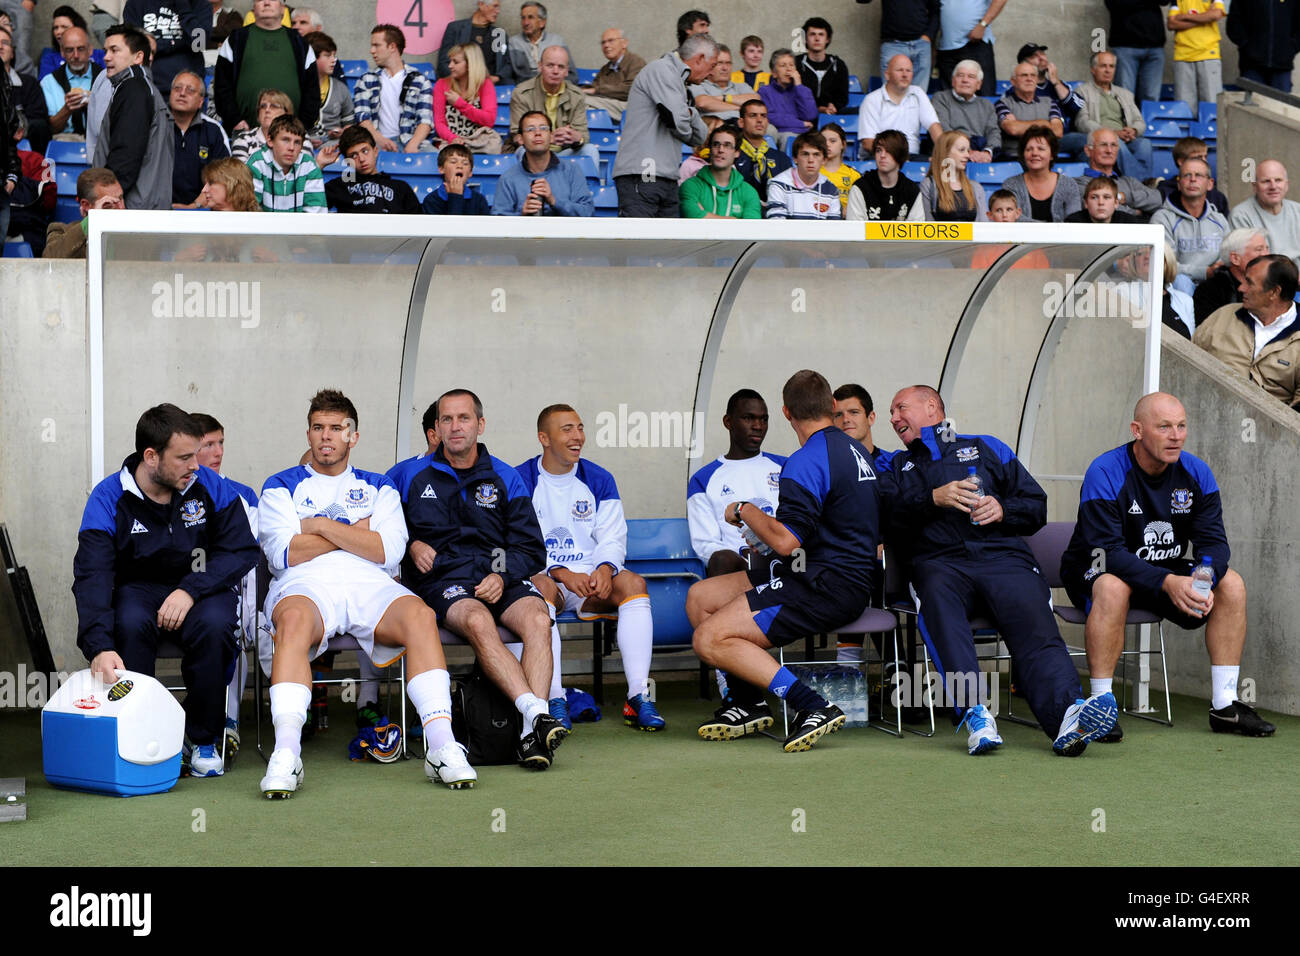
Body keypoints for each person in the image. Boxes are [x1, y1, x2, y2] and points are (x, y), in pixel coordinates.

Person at [258, 389, 476, 795]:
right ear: (308, 434)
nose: (327, 437)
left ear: (353, 436)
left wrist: (317, 525)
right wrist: (358, 533)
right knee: (291, 622)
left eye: (337, 428)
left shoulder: (380, 486)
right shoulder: (280, 485)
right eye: (319, 428)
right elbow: (284, 552)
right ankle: (287, 754)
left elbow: (388, 550)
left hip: (370, 584)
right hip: (305, 583)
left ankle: (442, 747)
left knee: (420, 616)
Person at [880, 385, 1118, 756]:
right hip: (939, 564)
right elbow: (885, 520)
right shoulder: (895, 465)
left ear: (932, 407)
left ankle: (1067, 717)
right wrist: (931, 499)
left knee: (1035, 622)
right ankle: (977, 715)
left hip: (1003, 558)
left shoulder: (988, 445)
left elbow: (1036, 506)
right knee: (940, 610)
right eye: (891, 412)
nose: (893, 418)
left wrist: (1003, 509)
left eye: (900, 408)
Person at [1061, 391, 1277, 740]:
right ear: (1138, 430)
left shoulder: (1196, 472)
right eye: (1164, 427)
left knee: (1231, 583)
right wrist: (1169, 582)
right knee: (1114, 585)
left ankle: (1225, 706)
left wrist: (1202, 580)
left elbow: (1213, 543)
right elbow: (1107, 551)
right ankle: (1100, 706)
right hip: (1097, 566)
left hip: (1165, 571)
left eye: (1181, 426)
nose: (1176, 435)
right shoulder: (1105, 470)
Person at [689, 370, 880, 752]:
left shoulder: (805, 460)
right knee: (701, 598)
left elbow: (786, 542)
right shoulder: (856, 450)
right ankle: (749, 704)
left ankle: (814, 705)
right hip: (830, 573)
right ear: (831, 408)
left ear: (786, 412)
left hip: (823, 585)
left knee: (708, 639)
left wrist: (743, 509)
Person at [73, 404, 259, 779]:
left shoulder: (208, 484)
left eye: (198, 453)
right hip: (138, 589)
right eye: (185, 456)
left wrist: (190, 589)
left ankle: (203, 738)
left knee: (217, 624)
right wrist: (98, 645)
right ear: (151, 456)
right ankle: (141, 736)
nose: (197, 464)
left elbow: (240, 550)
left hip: (200, 584)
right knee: (127, 622)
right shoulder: (109, 497)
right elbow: (92, 575)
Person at [389, 388, 566, 771]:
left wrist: (500, 574)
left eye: (464, 418)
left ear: (480, 425)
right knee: (476, 619)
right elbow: (382, 536)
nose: (456, 427)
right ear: (435, 428)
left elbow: (530, 549)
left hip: (498, 576)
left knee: (539, 618)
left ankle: (528, 734)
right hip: (444, 582)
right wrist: (411, 545)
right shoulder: (407, 475)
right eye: (447, 419)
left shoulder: (507, 477)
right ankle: (536, 714)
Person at [517, 404, 666, 731]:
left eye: (580, 428)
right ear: (544, 438)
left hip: (590, 581)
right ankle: (554, 699)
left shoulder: (599, 478)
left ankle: (638, 697)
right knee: (540, 589)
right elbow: (519, 545)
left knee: (633, 584)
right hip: (547, 579)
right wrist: (559, 572)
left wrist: (605, 567)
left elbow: (614, 535)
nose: (577, 436)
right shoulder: (520, 479)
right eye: (567, 429)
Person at [189, 411, 259, 758]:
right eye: (207, 445)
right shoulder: (174, 491)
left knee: (231, 629)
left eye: (220, 443)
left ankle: (228, 720)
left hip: (230, 591)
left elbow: (249, 555)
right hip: (181, 594)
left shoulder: (242, 494)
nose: (217, 452)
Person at [688, 388, 787, 579]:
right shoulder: (704, 479)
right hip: (738, 569)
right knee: (722, 559)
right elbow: (705, 544)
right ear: (728, 422)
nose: (758, 425)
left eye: (764, 419)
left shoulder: (786, 466)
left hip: (789, 563)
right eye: (749, 418)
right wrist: (746, 560)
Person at [611, 32, 712, 218]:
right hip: (643, 173)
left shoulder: (682, 85)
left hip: (668, 178)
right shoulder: (662, 70)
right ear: (700, 58)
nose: (711, 73)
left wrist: (689, 112)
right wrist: (686, 114)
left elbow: (698, 137)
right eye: (711, 66)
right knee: (641, 243)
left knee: (667, 247)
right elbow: (679, 123)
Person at [1193, 254, 1300, 407]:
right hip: (1209, 414)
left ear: (1274, 292)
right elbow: (1188, 359)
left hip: (1271, 427)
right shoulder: (1223, 316)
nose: (1241, 288)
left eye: (1249, 283)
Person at [92, 24, 173, 211]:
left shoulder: (133, 89)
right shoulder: (140, 87)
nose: (106, 57)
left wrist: (108, 199)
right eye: (105, 50)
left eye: (114, 50)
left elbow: (125, 155)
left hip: (132, 209)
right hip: (142, 205)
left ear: (138, 57)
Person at [213, 0, 318, 137]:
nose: (267, 2)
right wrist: (235, 121)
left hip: (291, 138)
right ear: (253, 7)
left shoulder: (300, 42)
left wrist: (301, 125)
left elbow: (312, 91)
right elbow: (222, 87)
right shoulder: (236, 39)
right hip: (244, 134)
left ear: (283, 8)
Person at [492, 110, 593, 216]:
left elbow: (587, 212)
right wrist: (521, 215)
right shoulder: (508, 178)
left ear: (551, 136)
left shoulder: (571, 170)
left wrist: (554, 201)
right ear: (520, 139)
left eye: (543, 128)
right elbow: (498, 221)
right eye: (530, 129)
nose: (538, 133)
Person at [1151, 155, 1229, 292]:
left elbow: (1229, 255)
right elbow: (1165, 264)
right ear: (1179, 184)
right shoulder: (1162, 218)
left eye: (1198, 175)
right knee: (1181, 282)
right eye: (1187, 175)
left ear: (1210, 184)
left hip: (1214, 283)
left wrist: (1217, 270)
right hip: (1178, 286)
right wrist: (1205, 272)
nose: (1193, 179)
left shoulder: (1219, 219)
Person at [352, 23, 434, 153]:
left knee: (439, 159)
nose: (371, 50)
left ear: (392, 47)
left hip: (410, 140)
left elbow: (425, 120)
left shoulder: (419, 80)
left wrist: (413, 144)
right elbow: (362, 117)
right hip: (375, 142)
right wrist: (380, 139)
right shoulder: (366, 79)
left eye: (376, 45)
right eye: (372, 46)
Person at [508, 45, 596, 164]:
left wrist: (577, 138)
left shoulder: (577, 95)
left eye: (561, 67)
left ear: (566, 71)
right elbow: (518, 136)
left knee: (590, 150)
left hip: (565, 151)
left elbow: (584, 135)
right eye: (550, 65)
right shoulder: (522, 93)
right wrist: (548, 138)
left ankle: (587, 183)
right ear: (540, 66)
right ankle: (534, 183)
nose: (555, 71)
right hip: (533, 150)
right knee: (523, 151)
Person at [1074, 50, 1152, 180]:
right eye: (1103, 66)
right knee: (1115, 143)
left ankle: (1142, 181)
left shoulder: (1125, 94)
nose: (1108, 70)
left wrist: (1133, 130)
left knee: (1145, 144)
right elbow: (1082, 122)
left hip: (1125, 137)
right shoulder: (1082, 92)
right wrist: (1113, 133)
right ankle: (1138, 184)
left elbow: (1140, 121)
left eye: (1111, 66)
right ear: (1093, 69)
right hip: (1101, 139)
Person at [323, 124, 420, 214]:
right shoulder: (339, 187)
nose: (361, 159)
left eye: (365, 151)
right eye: (354, 155)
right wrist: (319, 165)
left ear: (375, 151)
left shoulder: (400, 188)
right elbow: (311, 207)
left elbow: (419, 226)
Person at [858, 52, 940, 158]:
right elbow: (868, 142)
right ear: (887, 75)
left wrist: (946, 151)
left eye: (908, 70)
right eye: (900, 70)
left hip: (912, 156)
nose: (905, 74)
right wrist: (894, 155)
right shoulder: (872, 99)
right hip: (880, 156)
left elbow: (934, 126)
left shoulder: (918, 93)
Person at [1074, 127, 1163, 221]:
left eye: (1113, 145)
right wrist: (1140, 211)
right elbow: (1106, 213)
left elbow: (1158, 200)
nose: (1109, 150)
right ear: (1088, 151)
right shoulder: (1078, 184)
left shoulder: (1129, 182)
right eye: (1103, 145)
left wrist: (1125, 197)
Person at [170, 69, 230, 207]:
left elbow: (223, 176)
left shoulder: (213, 130)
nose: (182, 93)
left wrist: (195, 206)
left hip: (204, 212)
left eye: (190, 90)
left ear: (201, 101)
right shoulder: (155, 126)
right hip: (158, 211)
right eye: (177, 88)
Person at [123, 0, 206, 97]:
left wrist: (184, 9)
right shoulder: (136, 3)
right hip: (148, 85)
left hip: (187, 89)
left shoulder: (199, 4)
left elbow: (199, 42)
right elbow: (135, 45)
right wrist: (176, 43)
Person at [246, 113, 325, 212]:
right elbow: (249, 210)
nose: (291, 148)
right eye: (286, 140)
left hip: (300, 227)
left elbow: (316, 213)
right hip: (264, 227)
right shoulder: (257, 164)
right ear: (270, 141)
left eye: (297, 142)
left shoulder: (309, 166)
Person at [1017, 43, 1086, 158]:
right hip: (1038, 140)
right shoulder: (1020, 89)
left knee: (1091, 149)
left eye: (1042, 54)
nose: (1042, 58)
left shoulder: (1057, 84)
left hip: (1064, 138)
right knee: (1086, 140)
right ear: (1024, 64)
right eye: (1034, 56)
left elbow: (1077, 106)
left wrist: (1055, 82)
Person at [1002, 125, 1082, 223]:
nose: (1034, 153)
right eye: (1029, 149)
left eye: (1041, 149)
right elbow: (1014, 218)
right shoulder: (1011, 185)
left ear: (1052, 154)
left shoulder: (1069, 185)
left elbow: (1074, 222)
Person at [679, 123, 761, 219]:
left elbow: (750, 229)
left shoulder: (748, 192)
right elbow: (692, 215)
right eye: (716, 144)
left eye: (727, 145)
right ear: (710, 150)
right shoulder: (691, 186)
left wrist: (705, 215)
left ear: (737, 153)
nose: (721, 150)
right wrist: (734, 220)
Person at [433, 42, 500, 154]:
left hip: (479, 141)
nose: (450, 66)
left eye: (456, 62)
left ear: (470, 65)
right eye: (450, 61)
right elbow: (439, 122)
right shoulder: (442, 84)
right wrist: (452, 138)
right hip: (451, 141)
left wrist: (460, 104)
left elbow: (489, 120)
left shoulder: (485, 84)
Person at [1229, 160, 1300, 265]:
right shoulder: (1241, 216)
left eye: (1278, 180)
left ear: (1286, 185)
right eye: (1266, 181)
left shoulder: (1298, 210)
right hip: (1267, 278)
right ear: (1255, 186)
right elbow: (1250, 264)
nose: (1273, 186)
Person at [1193, 227, 1269, 324]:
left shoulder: (1273, 283)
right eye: (1259, 249)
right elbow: (1209, 332)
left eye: (1267, 248)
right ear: (1235, 258)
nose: (1266, 254)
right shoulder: (1210, 291)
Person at [43, 166, 123, 258]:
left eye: (121, 198)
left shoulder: (136, 230)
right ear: (86, 205)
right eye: (109, 204)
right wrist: (93, 219)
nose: (121, 208)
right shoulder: (60, 231)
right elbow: (49, 259)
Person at [846, 128, 923, 222]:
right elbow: (855, 232)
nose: (882, 155)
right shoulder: (860, 187)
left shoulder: (912, 190)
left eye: (889, 151)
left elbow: (916, 232)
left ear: (900, 155)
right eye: (878, 150)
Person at [931, 58, 999, 162]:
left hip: (980, 155)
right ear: (953, 81)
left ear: (979, 84)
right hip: (950, 153)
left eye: (971, 77)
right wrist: (966, 151)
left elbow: (993, 133)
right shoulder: (941, 98)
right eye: (960, 75)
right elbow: (944, 129)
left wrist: (987, 152)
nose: (965, 80)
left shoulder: (987, 105)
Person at [40, 25, 101, 140]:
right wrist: (67, 109)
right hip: (64, 140)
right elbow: (49, 129)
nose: (76, 56)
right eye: (69, 50)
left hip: (100, 140)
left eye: (81, 49)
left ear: (90, 50)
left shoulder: (106, 79)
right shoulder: (49, 82)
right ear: (62, 52)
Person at [995, 59, 1063, 160]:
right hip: (1016, 155)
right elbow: (1012, 129)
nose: (1029, 79)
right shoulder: (1003, 103)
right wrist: (1045, 123)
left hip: (1045, 155)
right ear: (1013, 81)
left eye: (1033, 75)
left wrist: (1021, 124)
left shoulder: (1049, 102)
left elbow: (1058, 131)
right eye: (1024, 75)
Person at [1228, 0, 1300, 94]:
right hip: (1251, 67)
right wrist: (1246, 46)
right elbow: (1234, 22)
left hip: (1282, 67)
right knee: (1252, 106)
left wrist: (1291, 48)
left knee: (1280, 107)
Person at [765, 130, 841, 220]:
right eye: (805, 154)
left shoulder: (831, 190)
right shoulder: (778, 185)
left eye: (816, 155)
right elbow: (777, 227)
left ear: (824, 160)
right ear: (795, 158)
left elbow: (833, 229)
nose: (810, 160)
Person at [936, 0, 1006, 97]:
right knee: (949, 99)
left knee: (984, 97)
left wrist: (983, 25)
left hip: (975, 44)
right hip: (947, 47)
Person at [1168, 0, 1225, 115]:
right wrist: (1205, 18)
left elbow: (1216, 14)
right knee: (1184, 110)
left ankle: (1211, 134)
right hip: (1183, 55)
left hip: (1209, 54)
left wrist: (1184, 16)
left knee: (1212, 108)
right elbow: (1172, 24)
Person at [1107, 0, 1168, 106]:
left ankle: (1147, 123)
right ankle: (1126, 123)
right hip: (1126, 46)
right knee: (1124, 97)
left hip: (1154, 47)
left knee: (1151, 99)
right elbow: (1115, 4)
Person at [863, 0, 939, 86]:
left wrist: (929, 35)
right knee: (891, 94)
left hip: (921, 45)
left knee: (918, 95)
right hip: (893, 44)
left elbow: (936, 10)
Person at [732, 98, 790, 207]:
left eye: (763, 116)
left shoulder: (782, 158)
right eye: (753, 115)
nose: (759, 120)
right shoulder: (731, 155)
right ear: (741, 122)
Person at [1, 23, 49, 153]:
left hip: (24, 143)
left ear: (12, 53)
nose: (0, 47)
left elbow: (38, 121)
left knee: (40, 126)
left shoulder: (29, 83)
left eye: (5, 43)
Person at [920, 129, 987, 221]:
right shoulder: (928, 185)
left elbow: (983, 226)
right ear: (945, 152)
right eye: (961, 150)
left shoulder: (976, 187)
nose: (967, 155)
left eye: (968, 151)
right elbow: (927, 226)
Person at [437, 1, 510, 84]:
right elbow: (443, 63)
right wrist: (461, 80)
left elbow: (507, 64)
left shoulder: (499, 34)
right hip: (460, 86)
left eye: (498, 7)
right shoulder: (455, 29)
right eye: (495, 6)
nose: (498, 11)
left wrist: (496, 78)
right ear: (481, 4)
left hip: (490, 86)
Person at [582, 27, 645, 123]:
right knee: (578, 101)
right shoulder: (605, 68)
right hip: (609, 105)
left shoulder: (636, 62)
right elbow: (594, 87)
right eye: (603, 42)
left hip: (629, 108)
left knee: (583, 100)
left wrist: (597, 90)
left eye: (611, 41)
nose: (606, 45)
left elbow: (631, 90)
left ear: (624, 43)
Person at [758, 48, 817, 149]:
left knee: (791, 138)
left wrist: (799, 85)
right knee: (781, 136)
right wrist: (800, 123)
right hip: (778, 134)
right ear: (774, 73)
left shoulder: (803, 90)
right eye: (783, 65)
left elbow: (810, 115)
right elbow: (770, 117)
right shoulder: (764, 92)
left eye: (791, 65)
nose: (788, 69)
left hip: (801, 135)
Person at [305, 31, 354, 151]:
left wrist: (343, 132)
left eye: (334, 55)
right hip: (301, 144)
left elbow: (349, 123)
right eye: (327, 55)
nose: (333, 60)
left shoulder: (341, 88)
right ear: (312, 58)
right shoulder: (297, 88)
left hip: (335, 145)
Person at [506, 1, 575, 84]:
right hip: (528, 91)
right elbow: (519, 76)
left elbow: (572, 75)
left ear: (542, 22)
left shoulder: (557, 41)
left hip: (556, 89)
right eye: (523, 18)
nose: (525, 22)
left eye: (530, 17)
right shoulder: (514, 43)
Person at [1156, 136, 1228, 215]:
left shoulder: (1217, 197)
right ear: (1181, 161)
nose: (1204, 161)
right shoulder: (1165, 192)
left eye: (1205, 157)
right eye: (1198, 157)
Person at [690, 44, 758, 123]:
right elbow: (702, 103)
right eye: (720, 63)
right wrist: (740, 108)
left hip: (741, 128)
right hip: (716, 129)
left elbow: (755, 101)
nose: (725, 68)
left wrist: (723, 98)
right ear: (710, 65)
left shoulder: (741, 86)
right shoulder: (698, 85)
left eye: (728, 63)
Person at [795, 17, 849, 115]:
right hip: (802, 113)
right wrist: (818, 108)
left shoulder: (838, 65)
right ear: (805, 39)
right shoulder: (795, 63)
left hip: (830, 115)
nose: (817, 38)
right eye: (812, 34)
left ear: (827, 39)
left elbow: (843, 96)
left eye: (821, 34)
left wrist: (834, 105)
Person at [37, 6, 105, 80]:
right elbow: (45, 87)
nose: (58, 32)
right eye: (56, 28)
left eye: (64, 27)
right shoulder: (49, 59)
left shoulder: (100, 55)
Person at [422, 142, 490, 214]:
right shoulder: (432, 200)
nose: (459, 166)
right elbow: (452, 224)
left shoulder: (479, 200)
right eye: (453, 162)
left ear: (470, 172)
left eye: (465, 163)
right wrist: (455, 197)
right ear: (441, 169)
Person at [229, 87, 291, 161]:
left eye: (273, 106)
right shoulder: (243, 139)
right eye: (263, 106)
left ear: (286, 113)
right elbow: (240, 172)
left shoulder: (300, 138)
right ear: (258, 115)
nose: (267, 110)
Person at [1064, 175, 1140, 224]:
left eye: (1107, 197)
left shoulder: (1129, 223)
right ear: (1086, 203)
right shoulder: (1073, 223)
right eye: (1094, 197)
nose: (1101, 202)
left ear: (1116, 203)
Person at [818, 124, 858, 212]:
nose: (827, 144)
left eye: (832, 141)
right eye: (823, 141)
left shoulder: (853, 175)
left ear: (843, 144)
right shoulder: (813, 172)